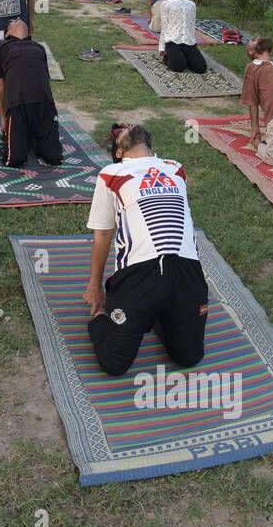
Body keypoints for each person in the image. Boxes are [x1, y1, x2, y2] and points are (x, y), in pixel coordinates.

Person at [82, 124, 207, 378]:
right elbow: (103, 233)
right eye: (120, 130)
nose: (127, 126)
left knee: (188, 357)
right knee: (114, 364)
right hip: (140, 272)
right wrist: (95, 287)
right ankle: (99, 316)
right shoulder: (111, 173)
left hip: (187, 270)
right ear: (118, 151)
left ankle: (157, 313)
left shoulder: (174, 167)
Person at [0, 18, 61, 168]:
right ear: (7, 33)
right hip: (17, 105)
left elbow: (44, 79)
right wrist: (3, 117)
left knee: (54, 158)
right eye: (13, 21)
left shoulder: (39, 47)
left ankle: (31, 134)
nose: (18, 18)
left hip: (45, 104)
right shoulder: (1, 46)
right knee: (14, 160)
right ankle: (26, 134)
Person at [156, 0, 207, 73]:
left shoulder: (192, 4)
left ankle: (183, 57)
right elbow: (164, 26)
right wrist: (162, 48)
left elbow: (192, 25)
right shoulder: (166, 4)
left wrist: (193, 42)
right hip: (173, 41)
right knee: (179, 67)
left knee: (201, 68)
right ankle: (167, 57)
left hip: (189, 42)